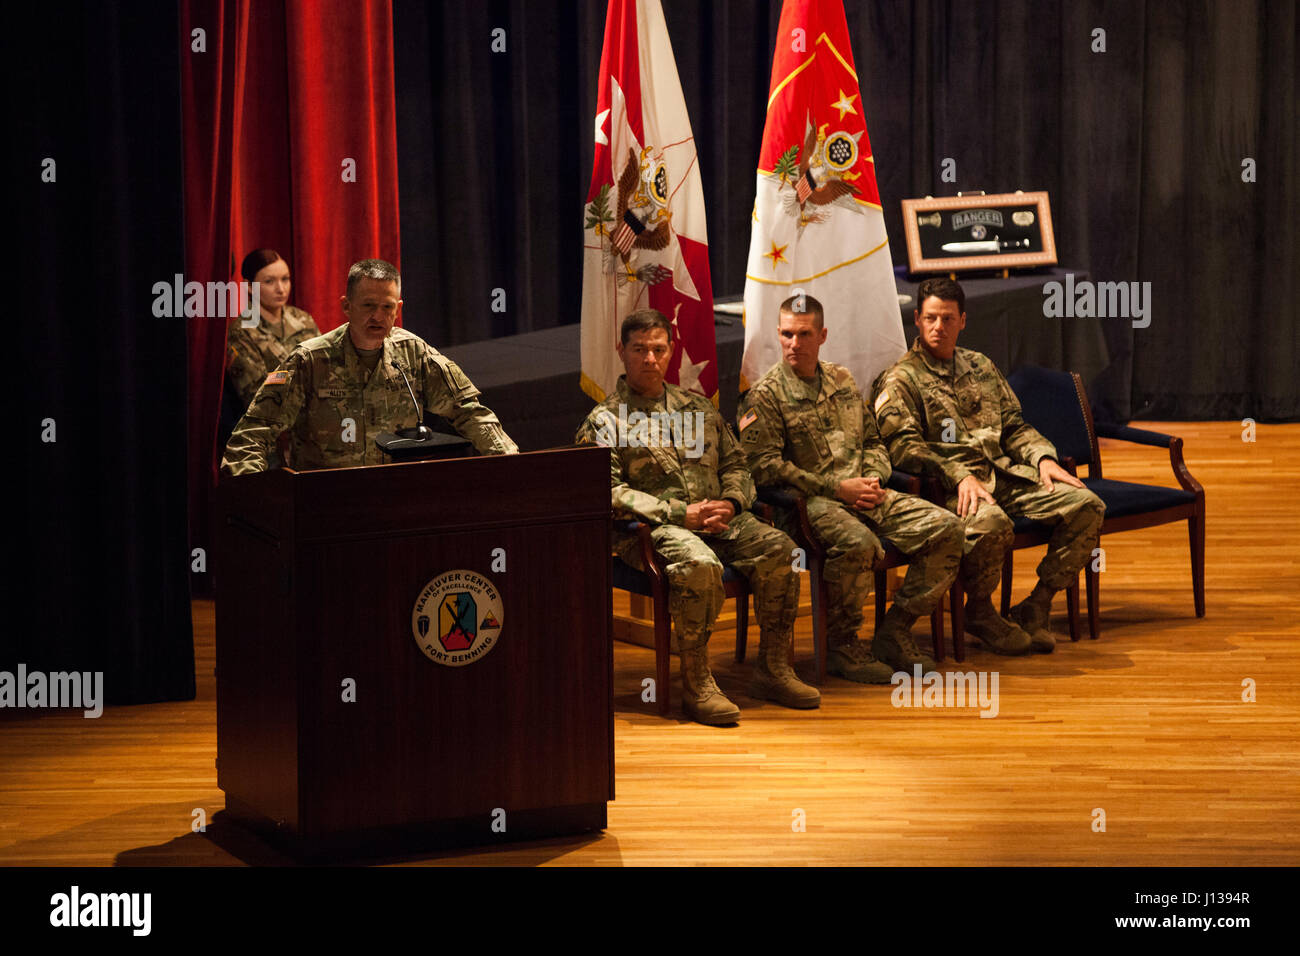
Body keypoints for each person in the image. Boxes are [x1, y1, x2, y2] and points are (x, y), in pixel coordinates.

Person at [576, 309, 818, 725]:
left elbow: (738, 466)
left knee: (780, 549)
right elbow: (605, 490)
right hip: (654, 530)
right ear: (622, 351)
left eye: (658, 349)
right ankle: (697, 683)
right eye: (639, 350)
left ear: (671, 351)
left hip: (719, 519)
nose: (649, 359)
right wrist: (677, 513)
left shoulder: (698, 408)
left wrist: (732, 502)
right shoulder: (605, 421)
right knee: (700, 565)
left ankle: (774, 669)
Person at [873, 277, 1105, 654]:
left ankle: (1037, 605)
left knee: (1086, 505)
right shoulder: (901, 379)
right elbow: (902, 447)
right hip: (951, 490)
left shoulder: (980, 366)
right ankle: (980, 611)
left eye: (948, 319)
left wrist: (1041, 457)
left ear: (963, 320)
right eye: (930, 318)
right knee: (991, 524)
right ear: (916, 319)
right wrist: (957, 473)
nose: (938, 327)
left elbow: (1014, 425)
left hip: (1005, 475)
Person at [738, 294, 961, 682]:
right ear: (778, 334)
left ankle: (895, 630)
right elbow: (763, 468)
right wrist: (837, 488)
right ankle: (842, 644)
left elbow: (874, 440)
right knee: (859, 543)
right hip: (808, 506)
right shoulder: (765, 395)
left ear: (822, 335)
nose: (794, 344)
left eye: (804, 334)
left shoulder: (842, 379)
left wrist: (873, 477)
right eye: (787, 334)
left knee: (948, 528)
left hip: (865, 493)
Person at [222, 259, 516, 475]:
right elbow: (252, 433)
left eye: (387, 307)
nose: (378, 316)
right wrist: (263, 499)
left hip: (395, 497)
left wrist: (509, 463)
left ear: (398, 309)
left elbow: (468, 411)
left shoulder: (413, 353)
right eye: (368, 306)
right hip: (323, 503)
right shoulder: (310, 360)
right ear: (347, 307)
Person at [225, 249, 321, 410]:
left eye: (285, 279)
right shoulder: (241, 333)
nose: (281, 289)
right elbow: (259, 398)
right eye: (269, 281)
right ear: (249, 286)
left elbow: (326, 373)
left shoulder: (303, 320)